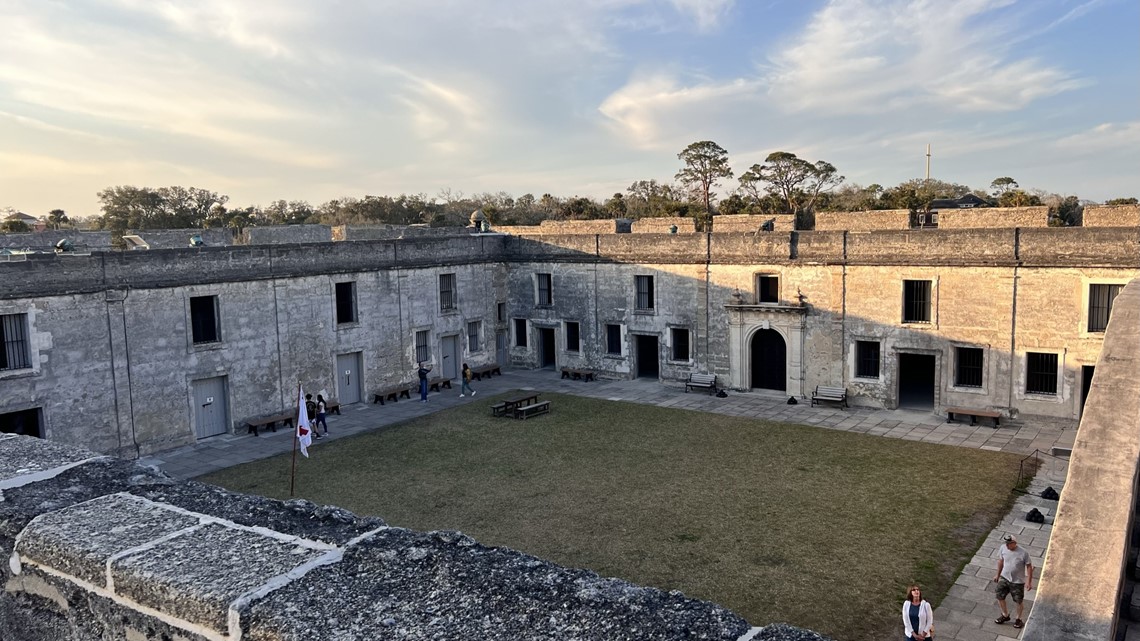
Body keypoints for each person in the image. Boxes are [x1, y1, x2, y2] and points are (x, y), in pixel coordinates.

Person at [994, 535, 1033, 629]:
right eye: (1006, 544)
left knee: (1018, 600)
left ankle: (1018, 619)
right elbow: (1001, 561)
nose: (1007, 546)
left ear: (1014, 543)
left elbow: (1029, 567)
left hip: (1017, 581)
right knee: (999, 595)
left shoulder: (1023, 553)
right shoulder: (1003, 548)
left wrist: (1029, 582)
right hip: (1004, 577)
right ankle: (1005, 615)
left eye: (1009, 544)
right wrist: (997, 575)